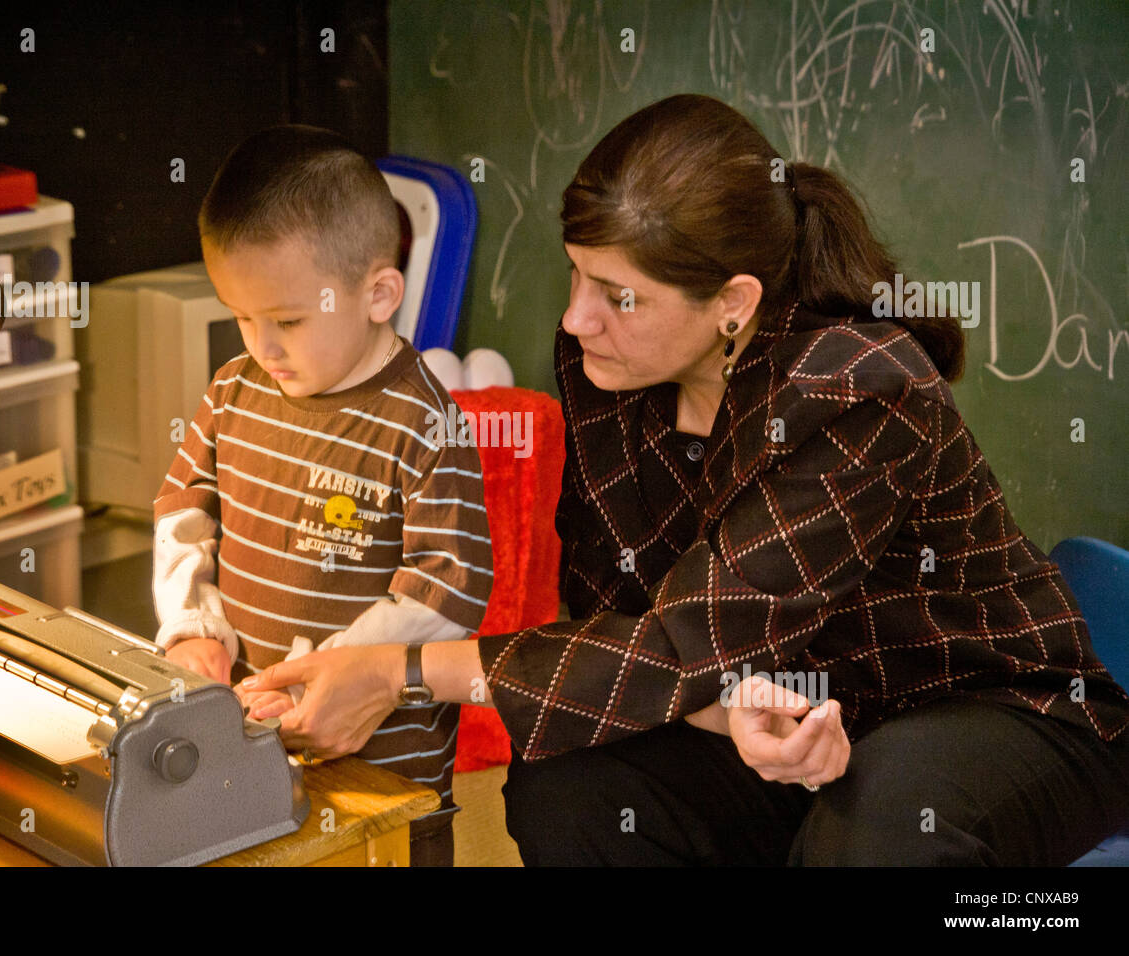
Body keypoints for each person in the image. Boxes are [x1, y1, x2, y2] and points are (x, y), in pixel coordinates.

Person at [244, 95, 1129, 866]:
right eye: (577, 273)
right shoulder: (607, 371)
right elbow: (620, 628)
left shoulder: (857, 385)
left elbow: (679, 642)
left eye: (617, 293)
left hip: (993, 711)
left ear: (733, 304)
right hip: (795, 717)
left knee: (884, 824)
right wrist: (726, 711)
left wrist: (395, 671)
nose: (575, 316)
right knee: (571, 784)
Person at [151, 125, 494, 867]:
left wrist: (330, 672)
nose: (261, 346)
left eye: (287, 321)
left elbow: (448, 587)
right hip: (252, 742)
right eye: (242, 316)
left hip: (385, 775)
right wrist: (191, 626)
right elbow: (184, 510)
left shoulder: (424, 422)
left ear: (378, 293)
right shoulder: (235, 388)